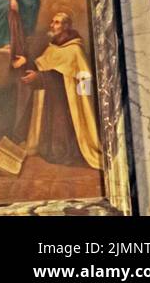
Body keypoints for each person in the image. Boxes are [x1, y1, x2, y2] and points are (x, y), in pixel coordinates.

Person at [19, 10, 103, 168]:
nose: (52, 25)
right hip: (52, 97)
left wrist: (84, 98)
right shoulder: (53, 47)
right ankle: (49, 150)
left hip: (69, 102)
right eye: (52, 21)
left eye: (56, 22)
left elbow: (80, 78)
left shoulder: (75, 49)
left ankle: (67, 152)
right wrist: (28, 65)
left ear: (66, 26)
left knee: (63, 136)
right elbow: (43, 66)